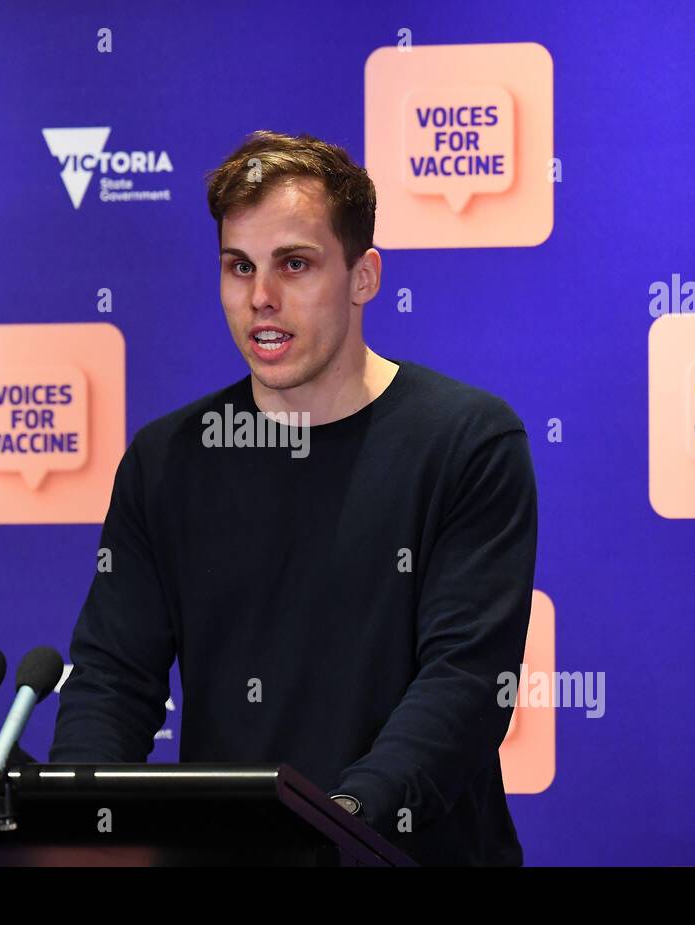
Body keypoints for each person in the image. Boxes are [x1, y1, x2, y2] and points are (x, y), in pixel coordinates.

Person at [49, 130, 538, 866]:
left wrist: (342, 822)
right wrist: (76, 825)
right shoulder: (168, 459)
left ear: (364, 276)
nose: (261, 299)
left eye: (295, 265)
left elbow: (465, 683)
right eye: (238, 267)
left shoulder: (467, 441)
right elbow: (113, 679)